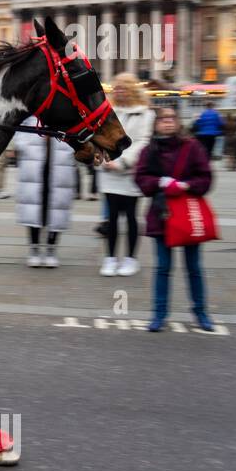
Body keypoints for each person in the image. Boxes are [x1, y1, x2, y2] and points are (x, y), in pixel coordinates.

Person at [135, 107, 215, 331]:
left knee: (194, 267)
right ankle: (159, 314)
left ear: (179, 122)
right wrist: (160, 183)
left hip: (187, 213)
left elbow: (206, 178)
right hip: (161, 214)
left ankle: (201, 313)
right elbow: (141, 178)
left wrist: (186, 185)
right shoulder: (149, 150)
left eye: (172, 118)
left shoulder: (193, 147)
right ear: (156, 124)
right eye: (163, 119)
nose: (168, 122)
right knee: (162, 266)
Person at [97, 73, 154, 277]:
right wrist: (104, 158)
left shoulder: (146, 114)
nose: (119, 91)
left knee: (130, 216)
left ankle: (130, 259)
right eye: (116, 88)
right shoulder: (106, 112)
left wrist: (121, 162)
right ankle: (110, 258)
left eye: (123, 88)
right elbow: (99, 136)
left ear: (132, 90)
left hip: (130, 172)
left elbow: (143, 142)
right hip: (108, 171)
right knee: (111, 217)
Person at [14, 116, 76, 267]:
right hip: (34, 165)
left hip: (60, 166)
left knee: (56, 207)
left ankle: (51, 248)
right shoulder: (31, 114)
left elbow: (76, 137)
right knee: (33, 207)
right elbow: (19, 134)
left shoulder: (65, 112)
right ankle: (34, 248)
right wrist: (28, 145)